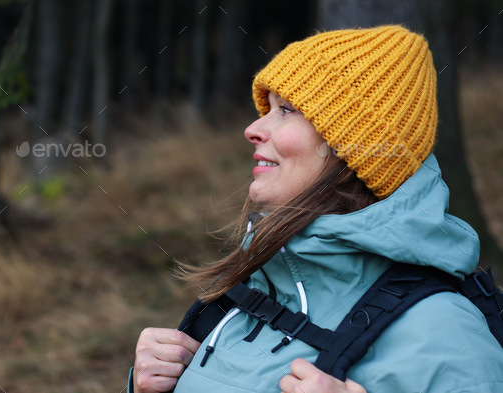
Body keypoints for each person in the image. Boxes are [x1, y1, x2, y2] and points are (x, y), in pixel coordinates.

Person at [129, 25, 503, 393]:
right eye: (268, 108)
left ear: (354, 148)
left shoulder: (448, 338)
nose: (253, 128)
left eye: (286, 110)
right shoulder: (245, 296)